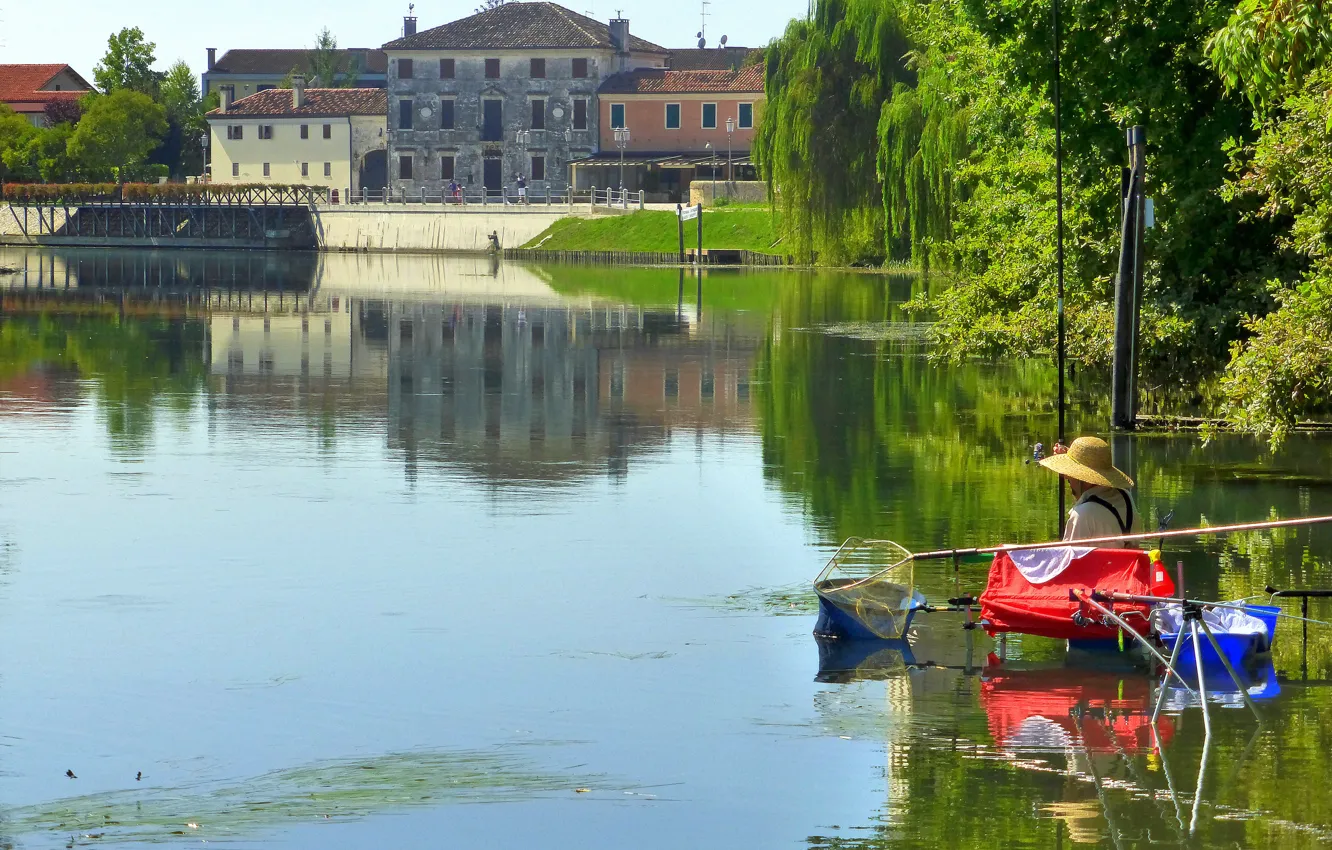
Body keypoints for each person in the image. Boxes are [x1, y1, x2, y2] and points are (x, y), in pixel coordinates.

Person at [1038, 436, 1144, 542]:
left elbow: (1070, 557)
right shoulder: (1126, 497)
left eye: (1071, 473)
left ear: (1085, 478)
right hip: (1126, 558)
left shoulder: (1082, 515)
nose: (1065, 476)